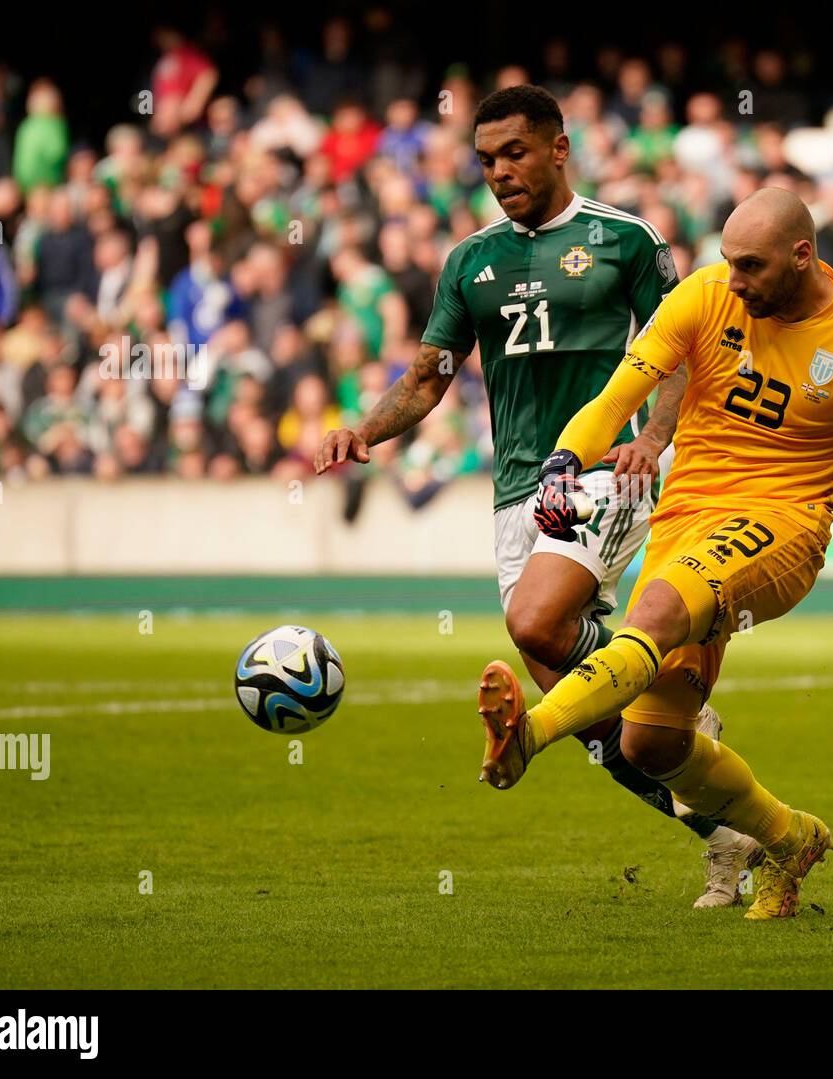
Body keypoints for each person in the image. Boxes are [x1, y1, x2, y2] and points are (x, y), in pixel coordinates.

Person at [476, 187, 833, 919]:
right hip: (686, 521)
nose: (733, 279)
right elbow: (619, 398)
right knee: (652, 744)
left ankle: (531, 736)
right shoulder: (705, 297)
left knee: (653, 608)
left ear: (802, 256)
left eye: (750, 266)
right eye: (727, 261)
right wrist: (562, 463)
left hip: (784, 526)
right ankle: (789, 837)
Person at [316, 85, 755, 907]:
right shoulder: (469, 261)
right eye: (485, 160)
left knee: (535, 623)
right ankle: (722, 832)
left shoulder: (624, 241)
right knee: (599, 723)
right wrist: (364, 432)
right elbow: (428, 378)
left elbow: (684, 355)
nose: (499, 172)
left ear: (558, 147)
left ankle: (653, 671)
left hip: (599, 471)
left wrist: (652, 439)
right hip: (516, 491)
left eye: (514, 152)